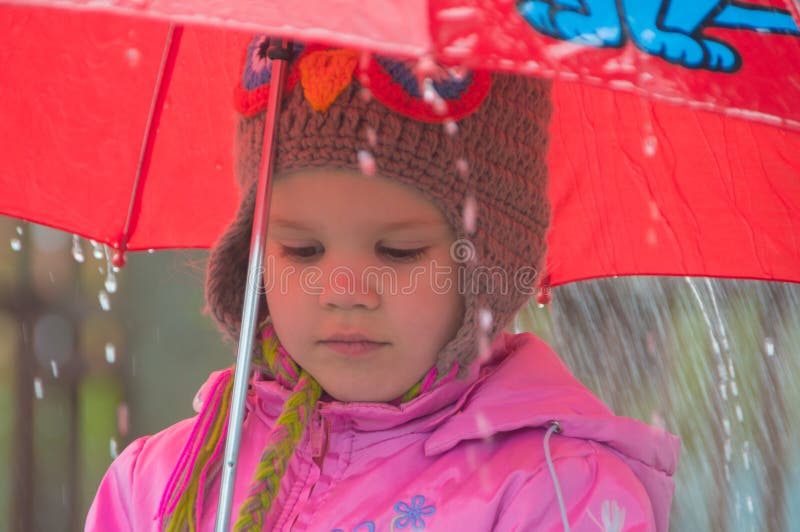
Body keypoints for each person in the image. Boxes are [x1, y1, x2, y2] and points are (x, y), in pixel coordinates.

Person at [86, 37, 680, 531]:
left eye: (398, 252)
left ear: (490, 265)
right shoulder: (167, 486)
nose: (345, 288)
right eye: (302, 249)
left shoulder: (553, 493)